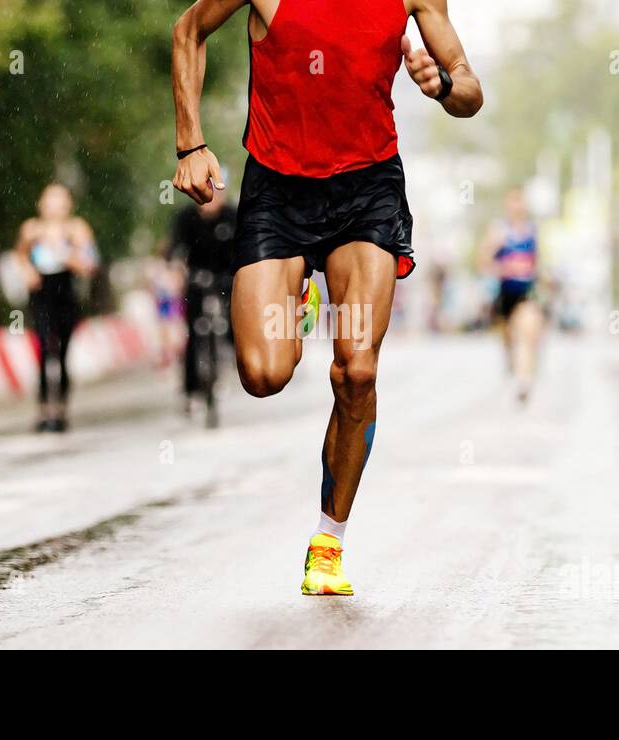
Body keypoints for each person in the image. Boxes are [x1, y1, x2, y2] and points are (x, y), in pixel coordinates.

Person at [172, 0, 483, 595]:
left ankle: (327, 542)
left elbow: (470, 92)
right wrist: (190, 144)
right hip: (279, 189)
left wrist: (442, 83)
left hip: (367, 191)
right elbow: (187, 30)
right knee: (263, 374)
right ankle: (300, 300)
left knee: (357, 369)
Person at [13, 183, 99, 433]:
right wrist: (27, 270)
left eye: (60, 200)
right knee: (43, 348)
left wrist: (66, 254)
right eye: (50, 199)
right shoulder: (31, 229)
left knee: (61, 352)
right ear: (41, 203)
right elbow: (19, 255)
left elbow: (88, 264)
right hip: (41, 294)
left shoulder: (77, 229)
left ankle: (60, 408)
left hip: (66, 291)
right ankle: (42, 408)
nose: (55, 205)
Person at [166, 186, 237, 427]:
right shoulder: (185, 218)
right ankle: (190, 388)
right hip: (196, 279)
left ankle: (235, 356)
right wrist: (176, 272)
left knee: (234, 319)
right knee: (194, 334)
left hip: (226, 279)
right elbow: (175, 252)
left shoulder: (232, 216)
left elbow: (245, 248)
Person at [481, 189, 543, 404]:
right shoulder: (498, 230)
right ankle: (510, 359)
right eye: (513, 203)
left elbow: (539, 262)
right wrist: (501, 264)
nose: (517, 207)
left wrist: (540, 277)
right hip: (505, 293)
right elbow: (483, 262)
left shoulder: (533, 230)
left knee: (527, 336)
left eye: (521, 203)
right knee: (509, 337)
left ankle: (524, 380)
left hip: (527, 293)